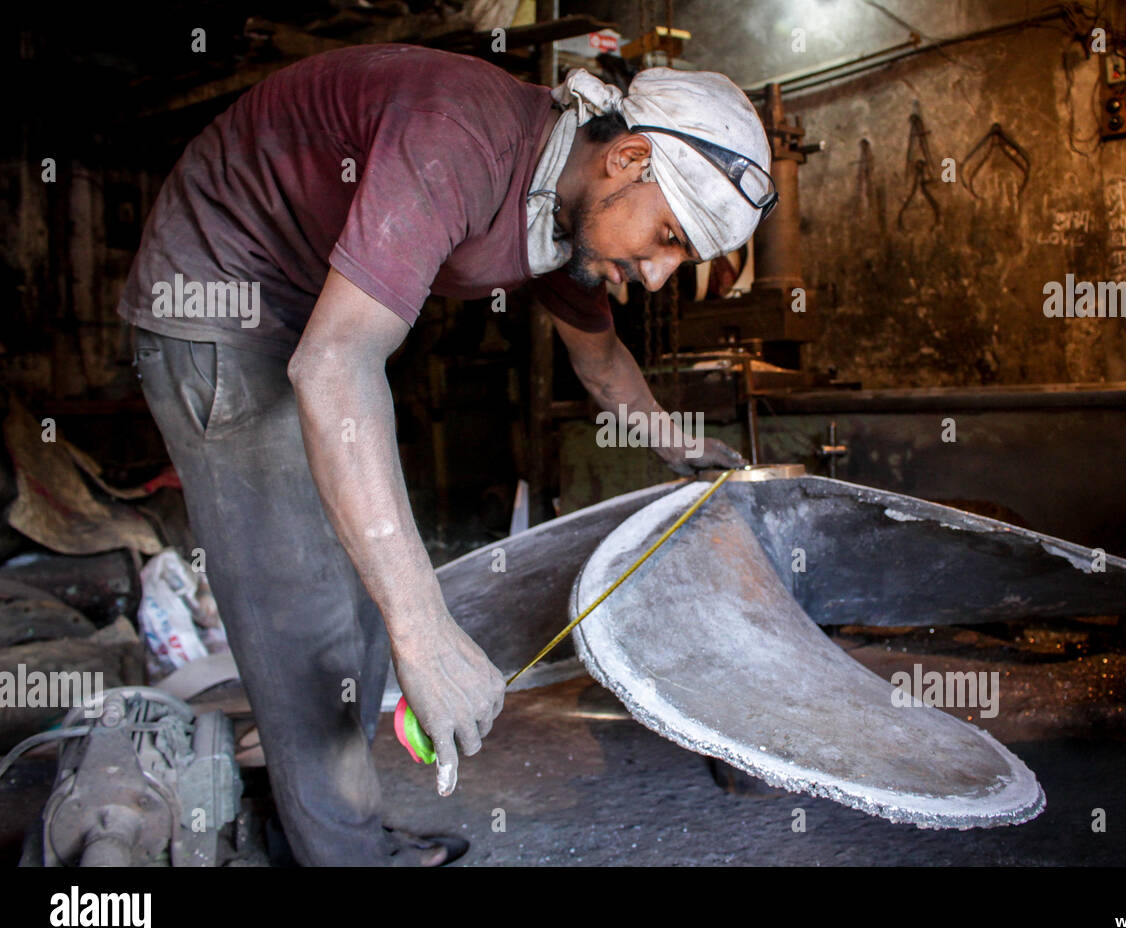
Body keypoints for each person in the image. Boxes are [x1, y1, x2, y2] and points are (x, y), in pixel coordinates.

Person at [118, 43, 774, 865]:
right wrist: (424, 631)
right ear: (629, 158)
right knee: (305, 612)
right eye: (668, 237)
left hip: (308, 316)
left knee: (361, 588)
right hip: (218, 297)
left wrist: (686, 452)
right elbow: (332, 366)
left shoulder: (570, 208)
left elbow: (600, 361)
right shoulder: (458, 136)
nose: (655, 275)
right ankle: (342, 856)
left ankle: (338, 830)